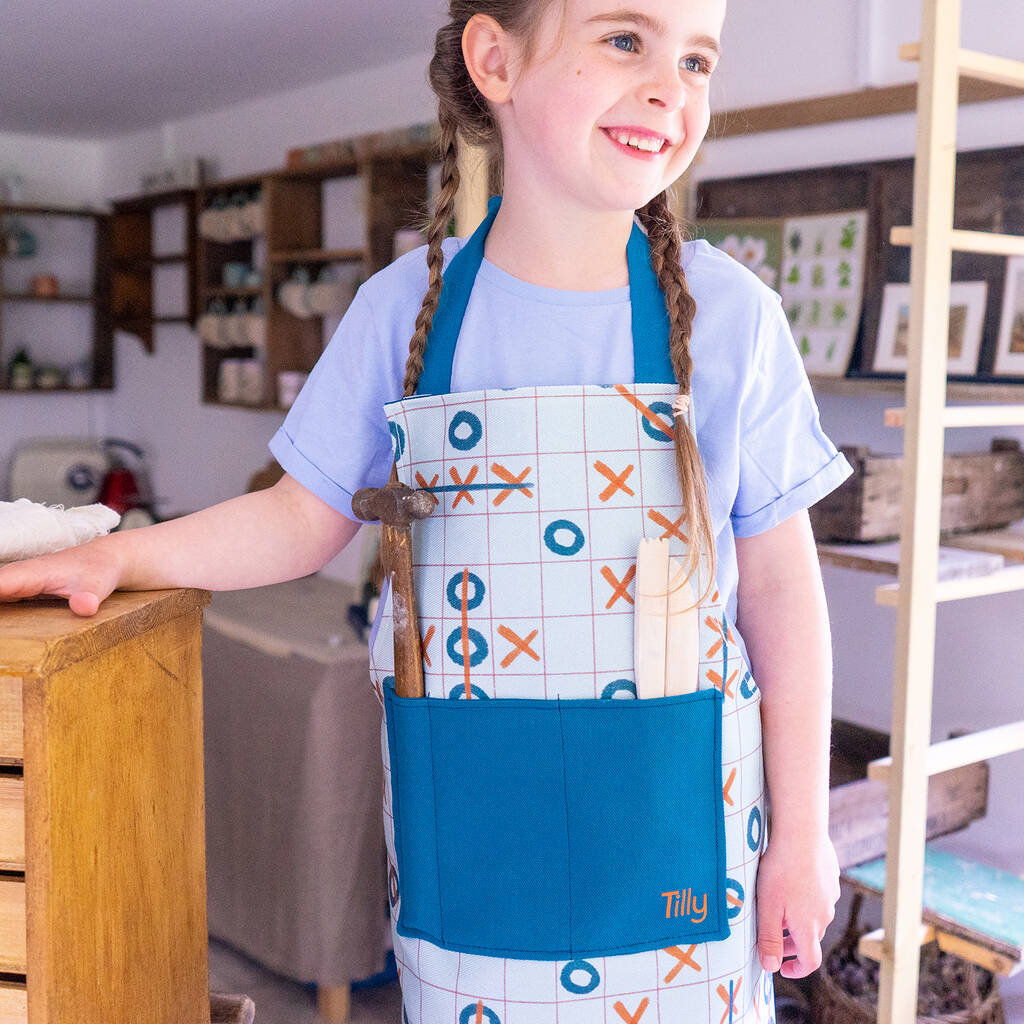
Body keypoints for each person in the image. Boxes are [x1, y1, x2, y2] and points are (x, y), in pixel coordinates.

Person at [1, 0, 851, 1019]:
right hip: (475, 841)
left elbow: (782, 591)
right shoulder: (403, 310)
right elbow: (296, 520)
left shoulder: (732, 319)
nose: (671, 84)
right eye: (625, 38)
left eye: (698, 57)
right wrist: (121, 556)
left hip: (678, 835)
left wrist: (804, 836)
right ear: (495, 58)